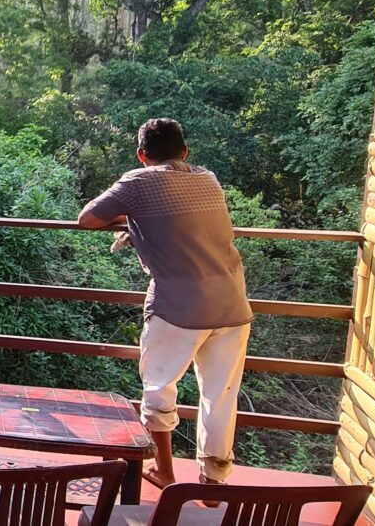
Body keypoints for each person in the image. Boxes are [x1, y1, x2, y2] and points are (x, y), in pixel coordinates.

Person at [77, 118, 252, 490]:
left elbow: (88, 219)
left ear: (142, 154)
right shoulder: (208, 178)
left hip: (176, 305)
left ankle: (165, 471)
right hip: (233, 303)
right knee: (220, 399)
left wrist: (131, 215)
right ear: (185, 152)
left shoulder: (138, 181)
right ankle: (212, 483)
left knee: (158, 389)